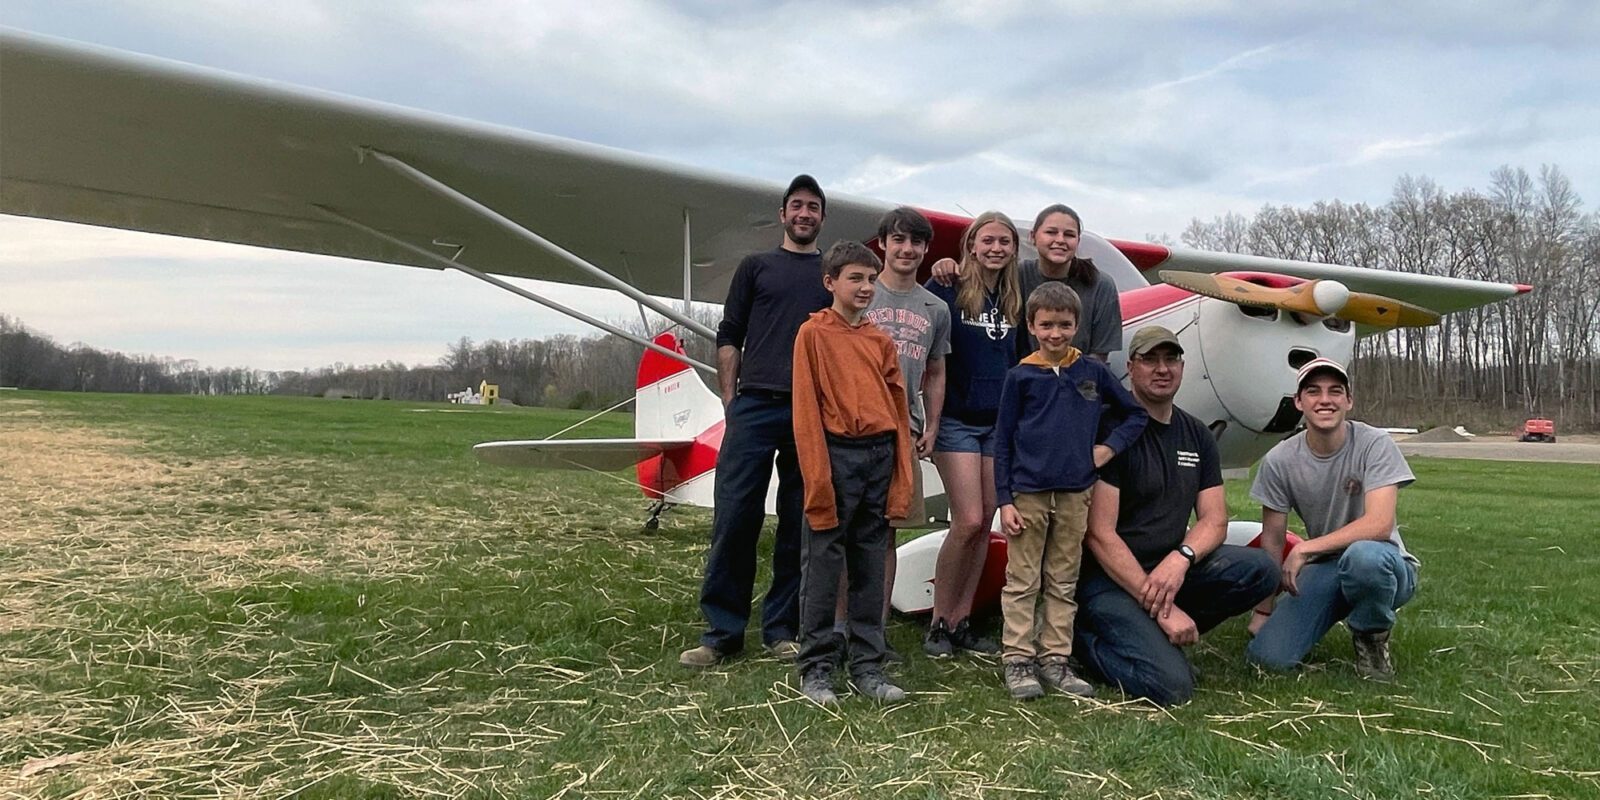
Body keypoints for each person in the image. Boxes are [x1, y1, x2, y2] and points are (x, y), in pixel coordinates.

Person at [1074, 326, 1278, 706]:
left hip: (1167, 572)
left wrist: (1180, 559)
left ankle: (1151, 635)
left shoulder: (1196, 434)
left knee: (1262, 569)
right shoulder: (1110, 429)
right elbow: (1098, 533)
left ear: (1183, 367)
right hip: (1110, 580)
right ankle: (1081, 642)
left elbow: (1215, 519)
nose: (1162, 368)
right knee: (1172, 687)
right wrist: (1161, 609)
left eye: (1171, 359)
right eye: (1150, 359)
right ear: (1131, 368)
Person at [681, 175, 831, 668]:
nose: (805, 214)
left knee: (797, 521)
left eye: (813, 207)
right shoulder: (756, 267)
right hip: (755, 405)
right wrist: (731, 398)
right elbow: (730, 333)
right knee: (735, 517)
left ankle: (781, 628)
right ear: (783, 214)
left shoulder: (831, 275)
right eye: (797, 206)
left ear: (822, 218)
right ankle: (721, 633)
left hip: (811, 411)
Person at [993, 283, 1148, 700]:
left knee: (1063, 578)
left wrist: (1107, 448)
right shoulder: (1020, 376)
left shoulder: (1092, 373)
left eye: (1064, 325)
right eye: (1046, 325)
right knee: (1023, 579)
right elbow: (1002, 440)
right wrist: (1004, 500)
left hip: (1077, 494)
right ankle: (1018, 659)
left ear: (1077, 325)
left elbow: (1134, 414)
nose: (1056, 334)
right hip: (1028, 494)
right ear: (1031, 326)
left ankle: (1055, 659)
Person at [791, 241, 914, 704]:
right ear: (830, 282)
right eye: (854, 278)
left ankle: (868, 666)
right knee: (824, 562)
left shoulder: (880, 341)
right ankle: (817, 668)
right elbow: (805, 409)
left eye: (870, 279)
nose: (864, 288)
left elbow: (898, 410)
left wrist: (899, 468)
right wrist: (819, 476)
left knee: (869, 563)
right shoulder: (814, 336)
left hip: (878, 458)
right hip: (836, 456)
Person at [1246, 358, 1420, 680]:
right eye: (1313, 391)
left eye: (1335, 391)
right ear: (1299, 402)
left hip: (1385, 566)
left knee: (1363, 557)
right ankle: (1313, 618)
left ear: (1348, 401)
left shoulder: (1374, 444)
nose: (1324, 399)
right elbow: (1272, 539)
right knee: (1267, 660)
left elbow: (1379, 525)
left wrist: (1305, 548)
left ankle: (1371, 639)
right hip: (1327, 568)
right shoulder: (1279, 460)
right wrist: (1263, 608)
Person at [836, 207, 949, 646]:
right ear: (881, 243)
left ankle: (875, 631)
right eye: (897, 240)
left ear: (924, 249)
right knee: (845, 533)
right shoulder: (860, 294)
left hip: (902, 431)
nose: (907, 249)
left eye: (916, 242)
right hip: (852, 430)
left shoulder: (935, 307)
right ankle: (840, 626)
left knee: (884, 534)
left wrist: (932, 425)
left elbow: (936, 370)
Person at [922, 210, 1025, 658]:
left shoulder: (1015, 300)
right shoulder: (946, 288)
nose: (996, 248)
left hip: (998, 425)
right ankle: (938, 621)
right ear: (971, 244)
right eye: (988, 240)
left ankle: (962, 619)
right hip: (957, 422)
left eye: (1005, 241)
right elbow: (919, 330)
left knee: (985, 522)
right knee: (965, 520)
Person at [930, 204, 1122, 361]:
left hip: (1077, 389)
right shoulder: (1016, 276)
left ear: (1078, 240)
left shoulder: (1100, 285)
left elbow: (1100, 357)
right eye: (1051, 232)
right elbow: (983, 271)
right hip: (1024, 389)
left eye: (1069, 235)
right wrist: (946, 264)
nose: (1060, 240)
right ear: (1032, 237)